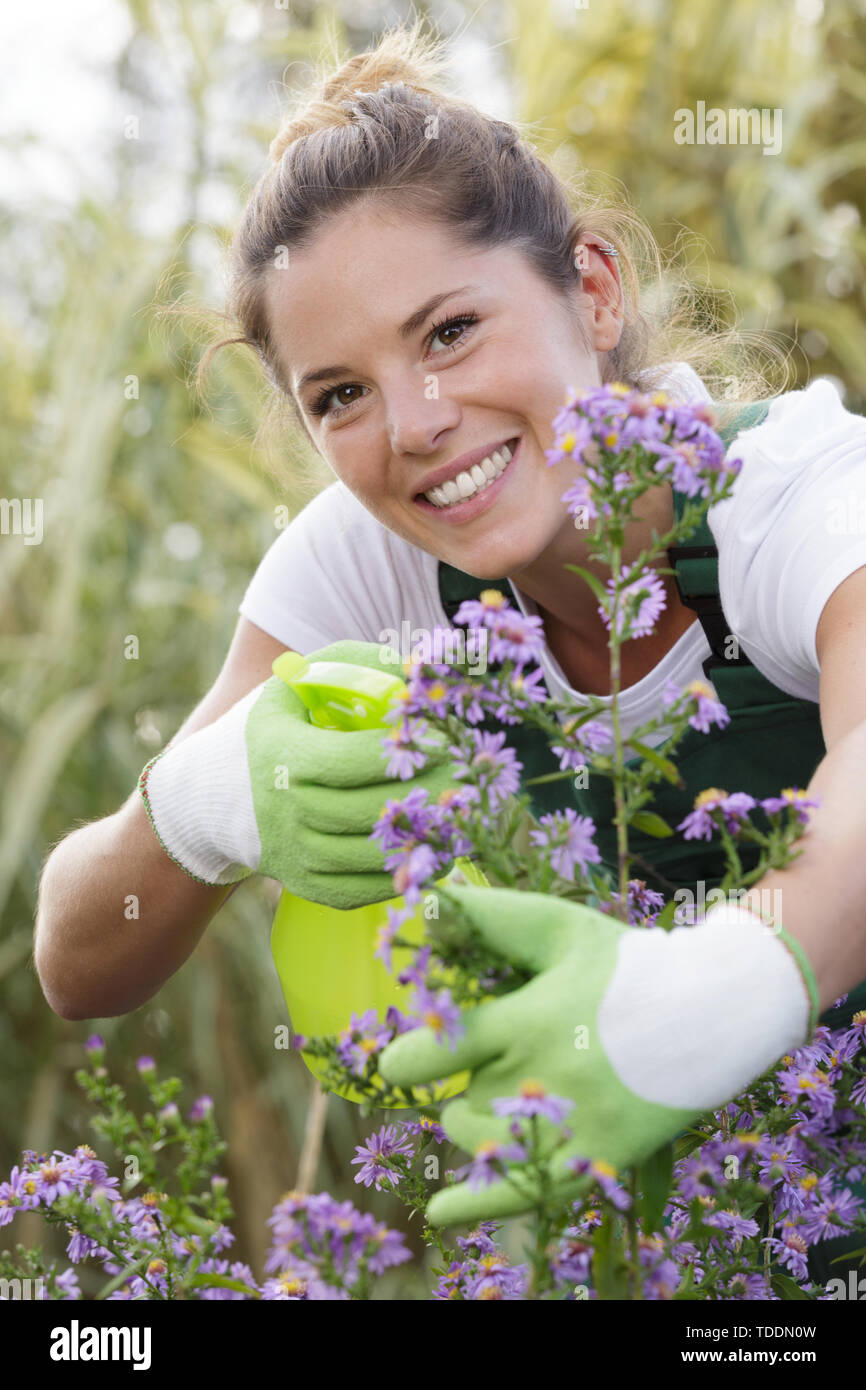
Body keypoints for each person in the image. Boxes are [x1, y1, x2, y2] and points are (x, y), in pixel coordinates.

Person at [35, 22, 866, 1282]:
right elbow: (80, 954)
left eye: (448, 332)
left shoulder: (792, 490)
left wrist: (704, 993)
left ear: (590, 288)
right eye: (339, 396)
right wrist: (202, 805)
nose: (414, 426)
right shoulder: (362, 564)